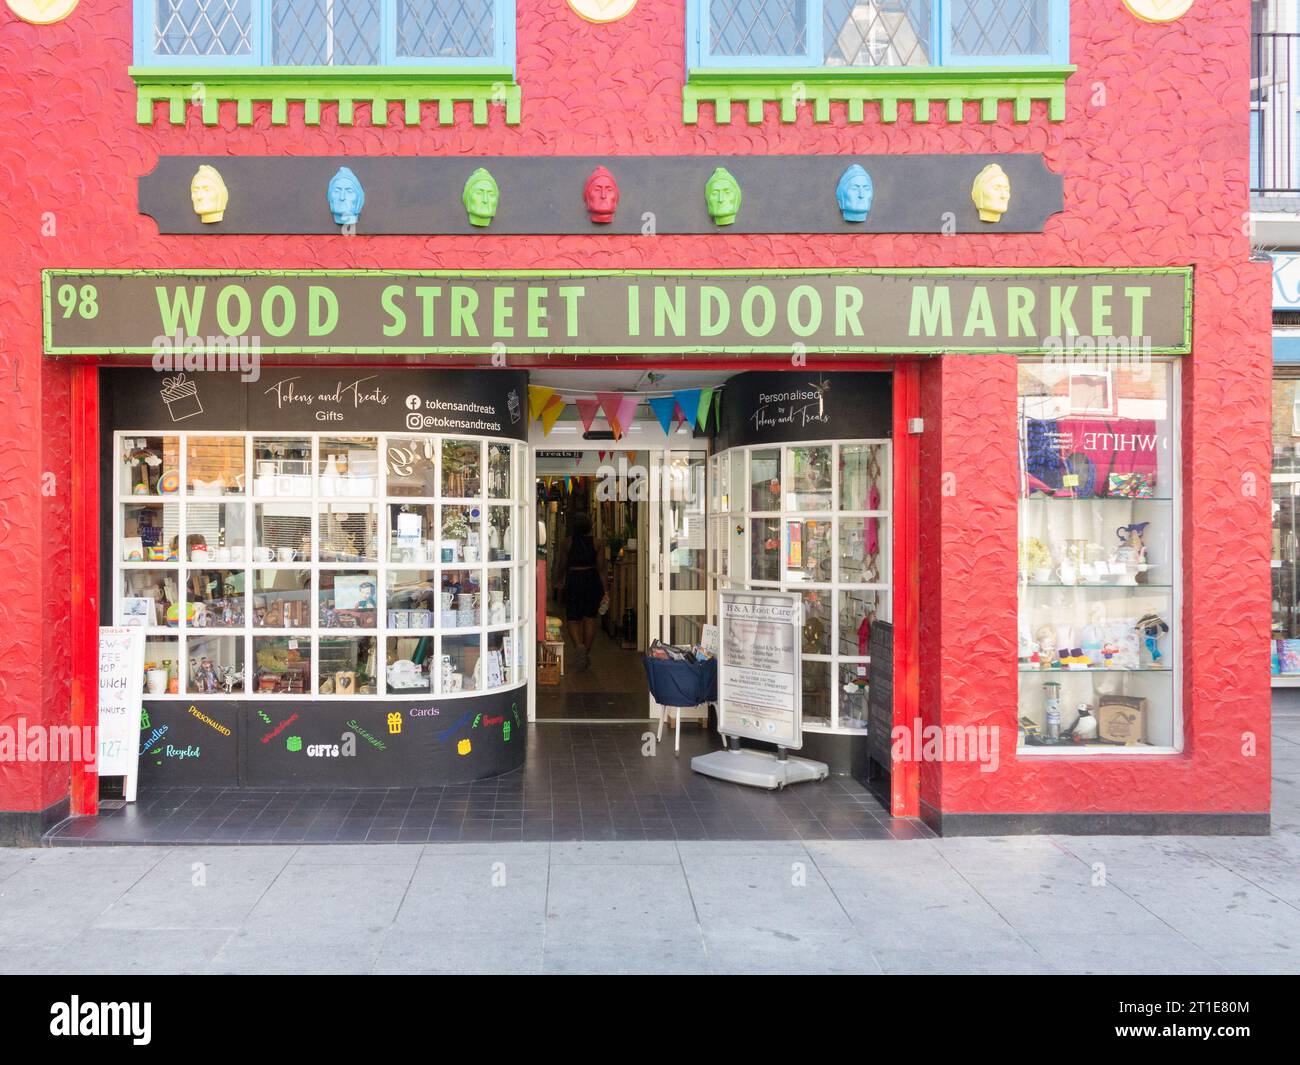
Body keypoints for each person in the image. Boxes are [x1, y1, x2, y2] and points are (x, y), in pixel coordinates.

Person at [552, 511, 607, 670]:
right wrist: (605, 590)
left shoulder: (567, 543)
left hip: (574, 579)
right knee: (590, 617)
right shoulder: (598, 543)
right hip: (592, 579)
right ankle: (585, 652)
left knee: (573, 618)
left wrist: (558, 579)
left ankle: (578, 646)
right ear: (589, 527)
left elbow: (562, 564)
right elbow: (602, 568)